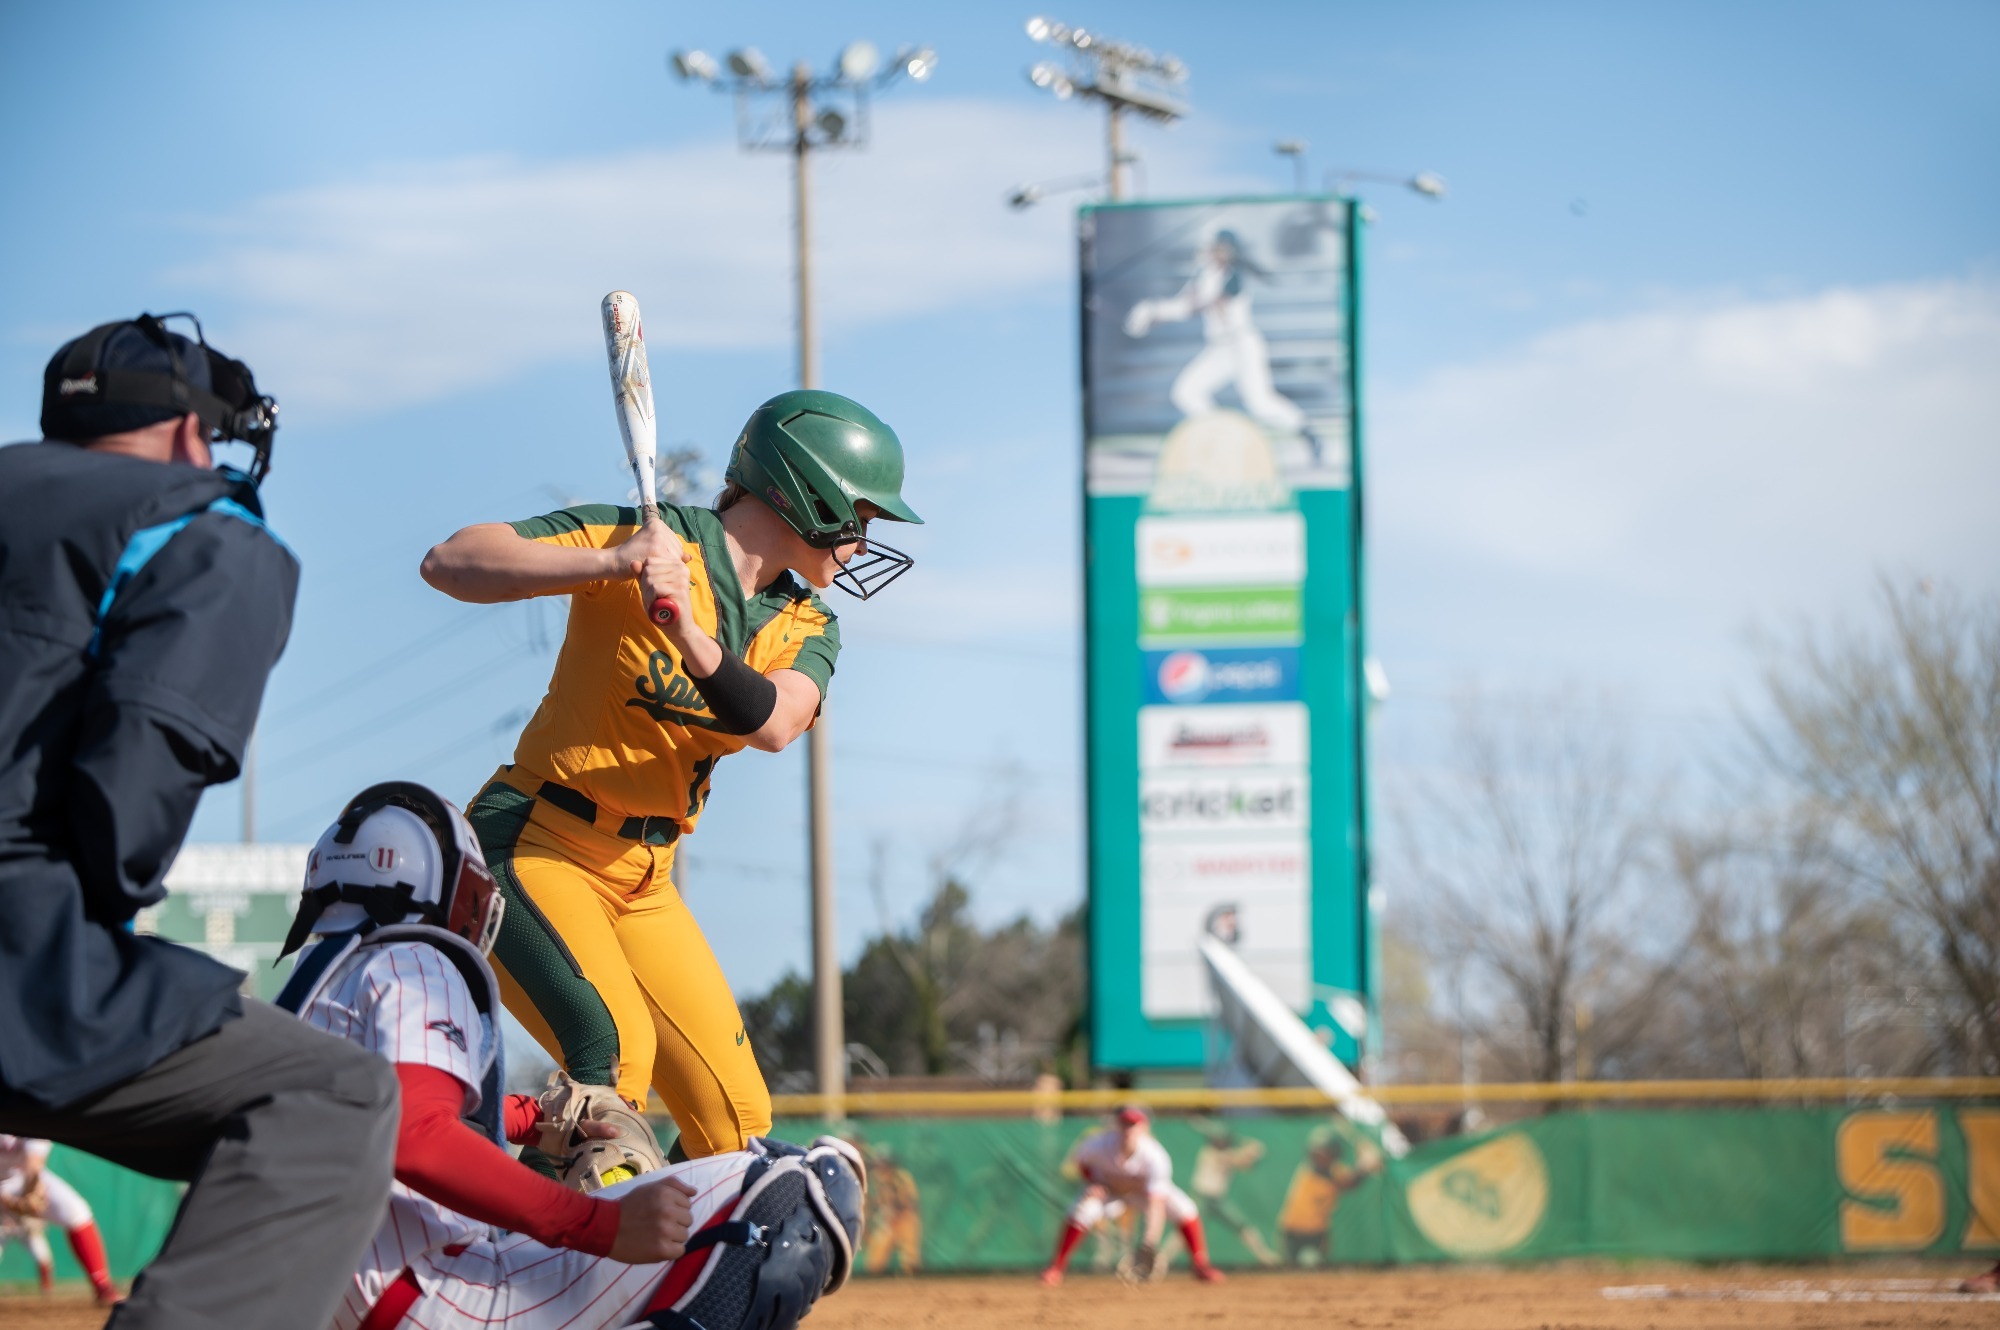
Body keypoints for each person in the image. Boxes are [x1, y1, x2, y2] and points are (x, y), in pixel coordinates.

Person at [0, 314, 400, 1328]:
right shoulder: (192, 518)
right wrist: (103, 902)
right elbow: (130, 789)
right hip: (15, 940)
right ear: (189, 431)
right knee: (333, 1097)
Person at [420, 389, 921, 1163]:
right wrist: (611, 563)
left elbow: (776, 722)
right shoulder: (646, 542)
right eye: (861, 515)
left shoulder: (807, 621)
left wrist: (686, 630)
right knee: (612, 1062)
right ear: (807, 492)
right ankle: (531, 1259)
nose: (863, 541)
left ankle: (678, 1279)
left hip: (647, 879)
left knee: (738, 1127)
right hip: (535, 843)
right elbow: (451, 561)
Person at [278, 780, 864, 1330]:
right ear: (429, 887)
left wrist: (530, 1119)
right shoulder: (415, 961)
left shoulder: (318, 984)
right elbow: (417, 1132)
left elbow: (379, 1114)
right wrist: (595, 1223)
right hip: (435, 1296)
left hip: (329, 1296)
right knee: (799, 1184)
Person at [1123, 227, 1319, 461]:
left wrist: (1156, 310)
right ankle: (1221, 442)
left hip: (1242, 345)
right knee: (1186, 393)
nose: (1213, 252)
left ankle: (1306, 430)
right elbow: (1183, 306)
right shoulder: (1203, 275)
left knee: (1260, 403)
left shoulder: (1234, 276)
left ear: (1229, 252)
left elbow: (1203, 304)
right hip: (1218, 349)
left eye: (1219, 248)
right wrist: (1151, 316)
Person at [1039, 1107, 1223, 1286]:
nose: (1128, 1129)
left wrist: (1148, 1244)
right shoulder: (1096, 1144)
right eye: (1124, 1123)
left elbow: (1155, 1204)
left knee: (1185, 1208)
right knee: (1084, 1210)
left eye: (1134, 1124)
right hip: (1110, 1191)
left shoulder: (1155, 1155)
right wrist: (1091, 1182)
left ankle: (1200, 1265)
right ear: (1116, 1125)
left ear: (1144, 1128)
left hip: (1142, 1194)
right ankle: (1057, 1267)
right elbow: (1081, 1162)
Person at [0, 1135, 118, 1305]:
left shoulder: (28, 1112)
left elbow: (33, 1166)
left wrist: (31, 1192)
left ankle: (102, 1285)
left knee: (76, 1211)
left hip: (23, 1177)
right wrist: (9, 1201)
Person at [1277, 1125, 1379, 1267]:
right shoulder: (1311, 1169)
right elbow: (1345, 1179)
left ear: (1333, 1153)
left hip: (1317, 1234)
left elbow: (1352, 1183)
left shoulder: (1335, 1170)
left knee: (1315, 1269)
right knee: (1293, 1271)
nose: (1319, 1155)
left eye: (1324, 1151)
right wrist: (1364, 1166)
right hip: (1293, 1233)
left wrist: (1366, 1169)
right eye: (1317, 1151)